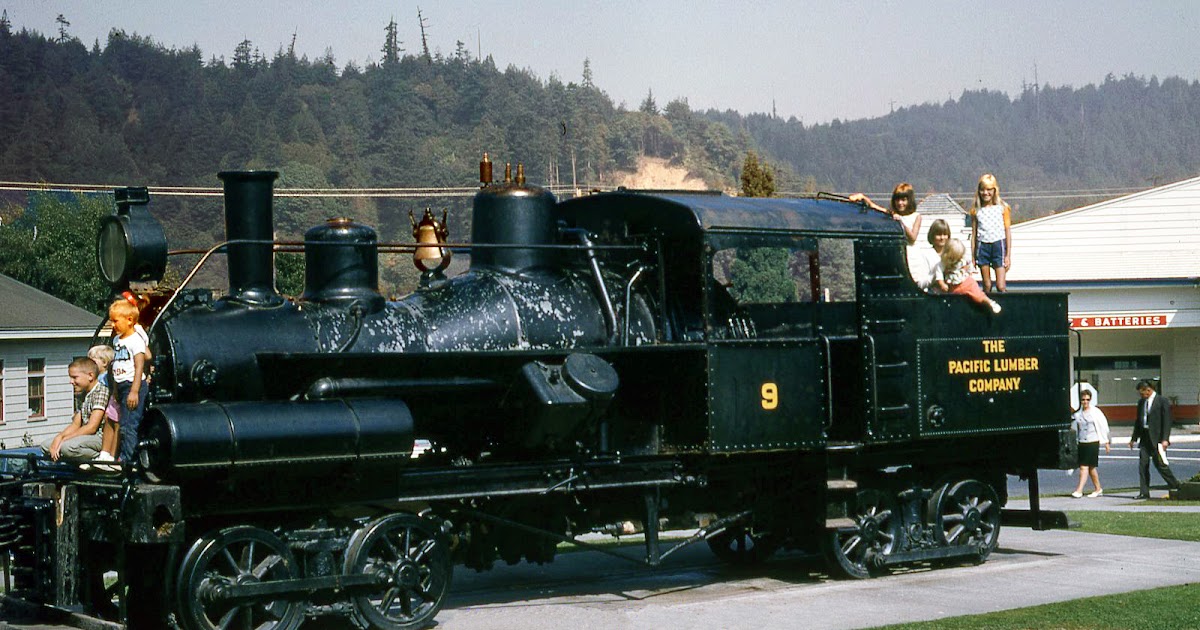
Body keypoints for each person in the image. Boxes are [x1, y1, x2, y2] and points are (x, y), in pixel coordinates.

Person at [849, 183, 924, 281]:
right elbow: (874, 206)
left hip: (913, 259)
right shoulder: (891, 214)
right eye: (898, 200)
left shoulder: (916, 216)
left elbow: (912, 238)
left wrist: (900, 223)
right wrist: (863, 197)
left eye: (903, 200)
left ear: (909, 200)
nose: (900, 203)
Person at [40, 358, 109, 464]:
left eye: (74, 377)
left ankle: (97, 460)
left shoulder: (101, 391)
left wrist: (65, 440)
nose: (71, 381)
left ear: (90, 376)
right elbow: (76, 424)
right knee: (46, 445)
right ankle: (75, 460)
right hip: (84, 437)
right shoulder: (83, 394)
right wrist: (60, 437)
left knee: (67, 447)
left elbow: (92, 427)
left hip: (99, 438)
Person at [109, 298, 150, 465]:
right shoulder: (117, 340)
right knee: (122, 423)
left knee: (128, 425)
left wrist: (134, 390)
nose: (112, 325)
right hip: (121, 385)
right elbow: (116, 365)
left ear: (130, 320)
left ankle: (127, 461)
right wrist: (116, 390)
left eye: (115, 321)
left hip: (133, 385)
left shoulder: (135, 341)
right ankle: (122, 458)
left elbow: (139, 366)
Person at [1129, 380, 1180, 499]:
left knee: (1160, 465)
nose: (1141, 395)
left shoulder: (1162, 401)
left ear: (1149, 390)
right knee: (1143, 465)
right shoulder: (1141, 402)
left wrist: (1165, 439)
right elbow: (1138, 421)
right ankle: (1144, 492)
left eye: (1142, 393)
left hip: (1156, 438)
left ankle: (1175, 485)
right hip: (1145, 437)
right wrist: (1133, 438)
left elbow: (1167, 421)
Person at [969, 173, 1012, 293]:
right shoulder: (976, 210)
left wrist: (1008, 255)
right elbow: (974, 234)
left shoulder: (1002, 208)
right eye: (982, 190)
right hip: (983, 246)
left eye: (989, 190)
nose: (985, 193)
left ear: (994, 190)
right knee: (987, 285)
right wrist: (973, 256)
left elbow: (1007, 231)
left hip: (998, 245)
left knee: (1000, 286)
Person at [935, 239, 1001, 314]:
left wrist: (969, 271)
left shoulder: (963, 260)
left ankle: (989, 302)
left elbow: (970, 266)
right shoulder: (942, 263)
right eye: (953, 258)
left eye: (958, 257)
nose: (956, 260)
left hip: (966, 283)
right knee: (947, 299)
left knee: (977, 295)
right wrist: (942, 283)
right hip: (952, 287)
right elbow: (939, 274)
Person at [1070, 390, 1110, 498]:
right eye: (1083, 400)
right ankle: (1098, 489)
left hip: (1093, 442)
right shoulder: (1078, 414)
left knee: (1084, 466)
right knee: (1091, 467)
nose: (1085, 402)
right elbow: (1074, 427)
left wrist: (1106, 442)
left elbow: (1103, 427)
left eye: (1087, 399)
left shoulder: (1095, 412)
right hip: (1082, 442)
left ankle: (1079, 490)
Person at [86, 344, 120, 465]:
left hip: (111, 405)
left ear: (104, 362)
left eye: (93, 360)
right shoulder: (98, 377)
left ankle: (112, 456)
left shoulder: (106, 377)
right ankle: (104, 455)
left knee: (113, 423)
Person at [917, 218, 951, 292]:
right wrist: (937, 276)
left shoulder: (951, 253)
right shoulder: (926, 255)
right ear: (932, 236)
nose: (942, 238)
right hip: (933, 294)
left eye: (945, 234)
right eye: (939, 235)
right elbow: (920, 284)